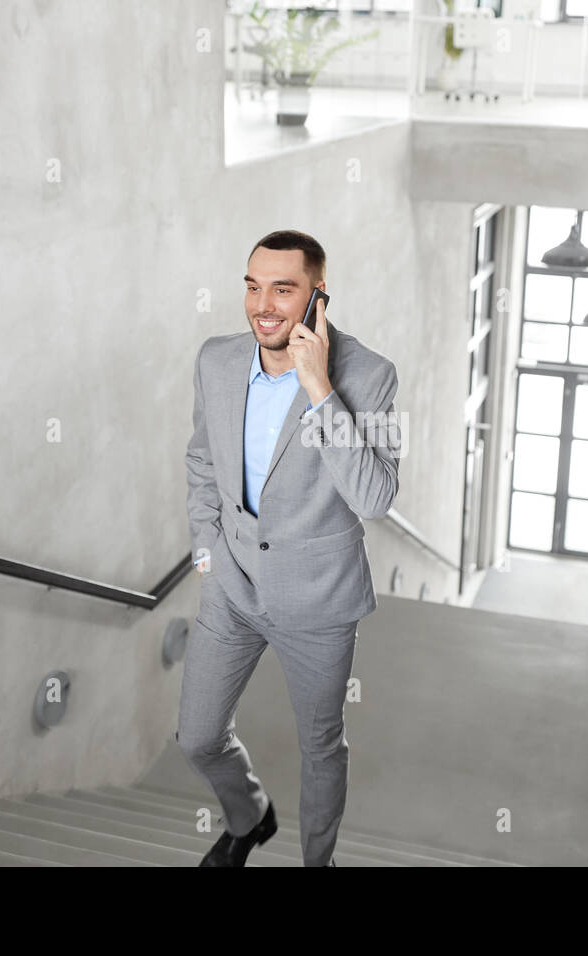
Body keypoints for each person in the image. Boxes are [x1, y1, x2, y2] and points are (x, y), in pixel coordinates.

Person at [179, 229, 401, 867]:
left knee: (321, 746)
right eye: (253, 286)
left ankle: (317, 863)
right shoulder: (215, 361)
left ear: (317, 298)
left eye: (284, 288)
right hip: (233, 584)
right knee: (196, 737)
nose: (263, 305)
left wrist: (319, 387)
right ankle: (248, 817)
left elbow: (375, 495)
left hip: (319, 598)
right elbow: (201, 461)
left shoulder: (371, 376)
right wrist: (207, 555)